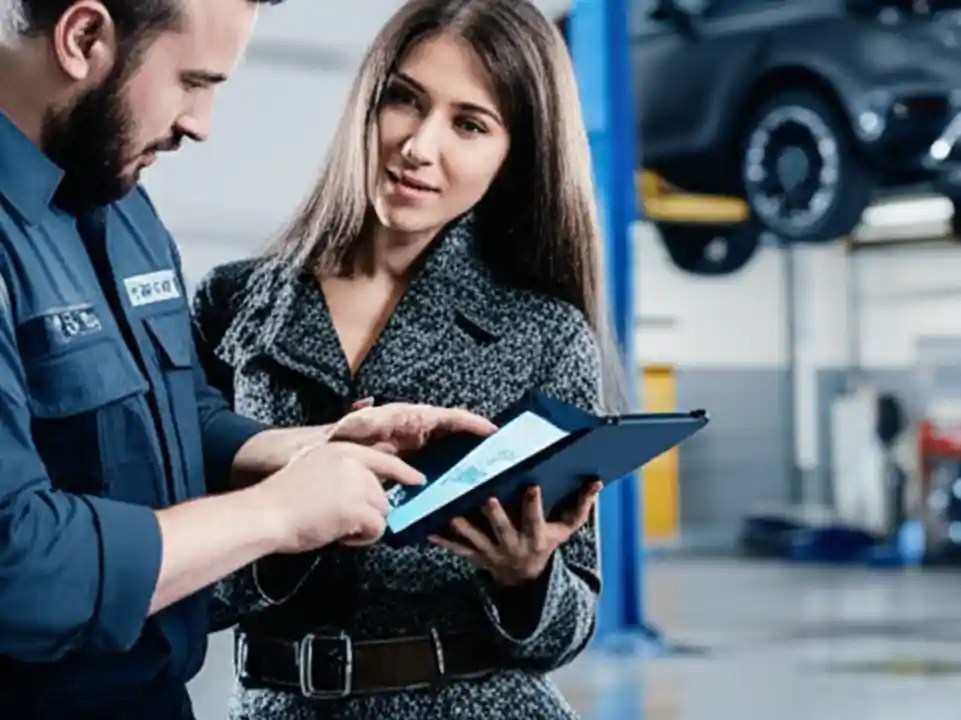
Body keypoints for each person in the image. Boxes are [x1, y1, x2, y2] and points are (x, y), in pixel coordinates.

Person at [0, 1, 496, 718]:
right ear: (83, 38)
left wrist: (303, 448)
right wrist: (276, 514)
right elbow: (19, 568)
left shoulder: (120, 204)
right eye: (192, 82)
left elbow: (167, 412)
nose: (200, 123)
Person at [193, 0, 622, 716]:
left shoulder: (546, 333)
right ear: (369, 99)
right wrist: (285, 524)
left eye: (470, 124)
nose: (420, 146)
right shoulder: (233, 305)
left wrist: (529, 578)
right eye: (405, 100)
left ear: (515, 154)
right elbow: (172, 568)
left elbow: (570, 627)